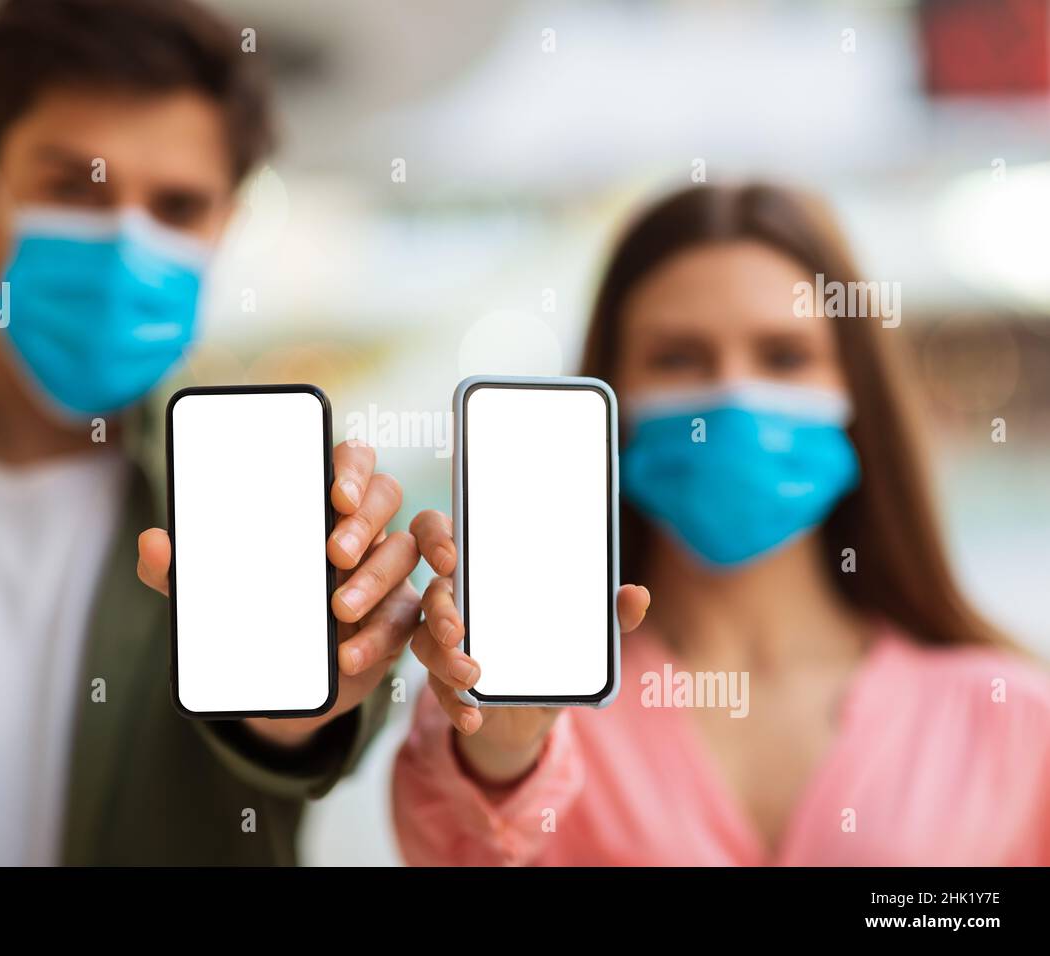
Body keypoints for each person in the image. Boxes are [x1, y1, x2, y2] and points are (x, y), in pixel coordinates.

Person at [0, 0, 419, 865]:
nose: (124, 241)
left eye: (177, 204)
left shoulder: (292, 525)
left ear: (226, 225)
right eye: (74, 185)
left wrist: (292, 724)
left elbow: (311, 745)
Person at [393, 183, 1050, 866]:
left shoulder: (1014, 717)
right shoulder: (495, 703)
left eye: (785, 356)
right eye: (677, 357)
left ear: (855, 393)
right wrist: (501, 758)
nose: (733, 395)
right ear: (612, 393)